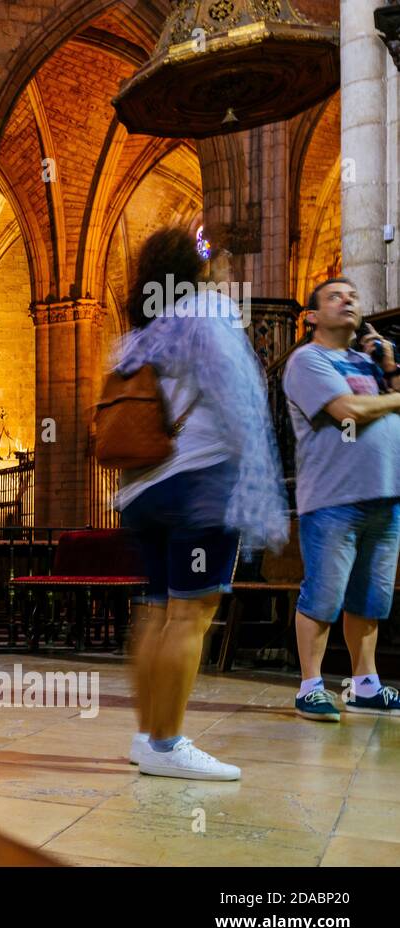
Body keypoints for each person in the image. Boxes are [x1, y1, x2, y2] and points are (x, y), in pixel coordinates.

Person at [114, 228, 289, 781]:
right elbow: (243, 402)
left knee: (156, 611)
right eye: (211, 258)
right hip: (198, 484)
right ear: (194, 270)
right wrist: (261, 490)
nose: (221, 265)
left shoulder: (141, 332)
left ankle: (148, 735)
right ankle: (167, 745)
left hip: (144, 490)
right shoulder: (208, 313)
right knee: (191, 614)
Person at [282, 277, 400, 719]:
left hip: (385, 493)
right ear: (312, 316)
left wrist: (389, 367)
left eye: (353, 295)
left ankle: (364, 685)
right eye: (335, 296)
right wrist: (394, 399)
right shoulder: (307, 360)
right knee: (323, 596)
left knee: (370, 598)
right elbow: (347, 410)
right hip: (333, 497)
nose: (348, 300)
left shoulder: (367, 363)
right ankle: (310, 686)